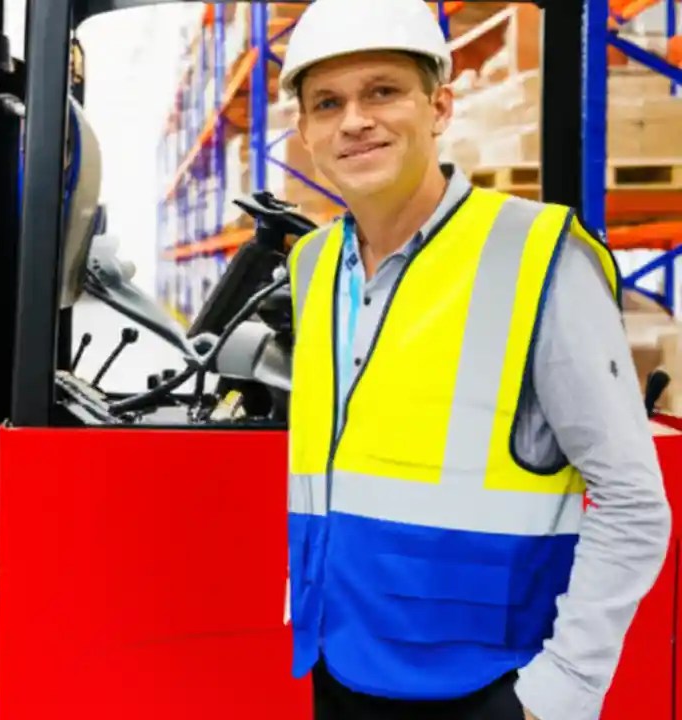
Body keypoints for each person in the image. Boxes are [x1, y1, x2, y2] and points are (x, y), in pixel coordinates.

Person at [279, 0, 673, 719]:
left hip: (486, 687)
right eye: (327, 103)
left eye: (383, 91)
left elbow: (634, 502)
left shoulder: (535, 256)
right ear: (304, 132)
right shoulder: (312, 265)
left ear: (440, 106)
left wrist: (559, 693)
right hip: (337, 666)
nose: (354, 120)